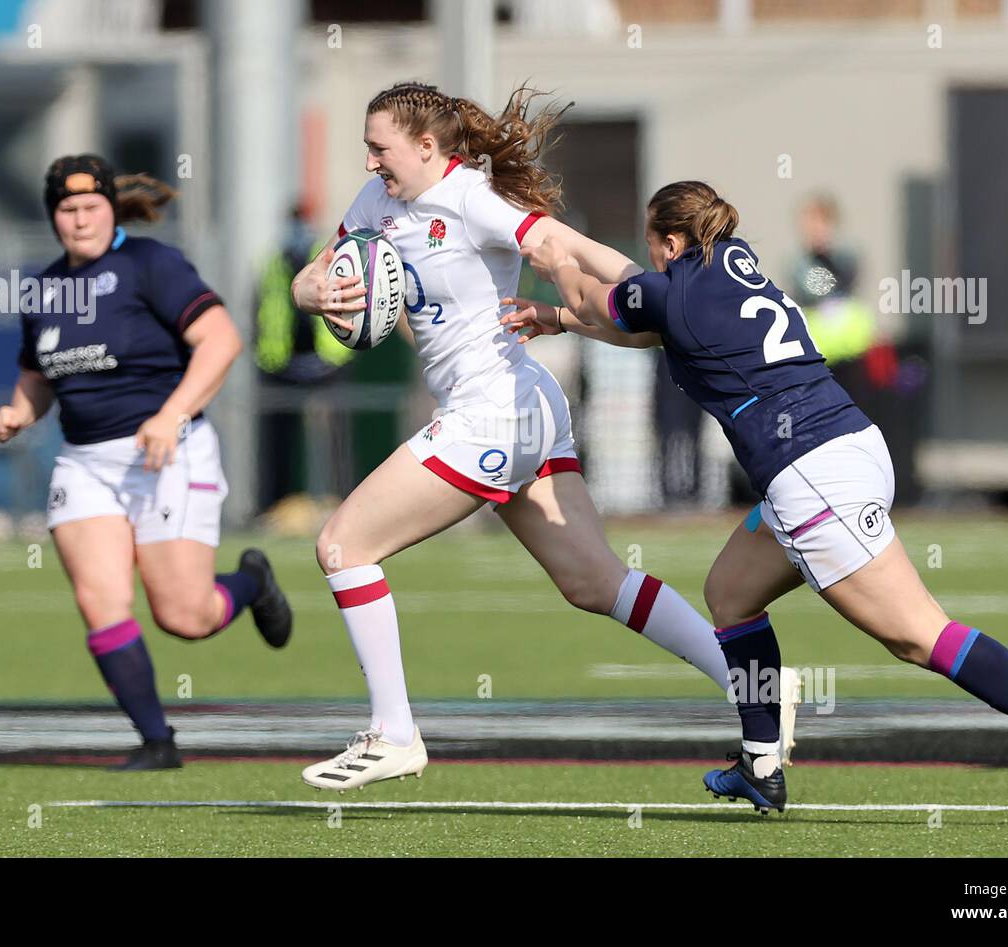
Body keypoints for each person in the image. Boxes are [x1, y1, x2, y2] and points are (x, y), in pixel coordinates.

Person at [505, 180, 1008, 825]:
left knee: (916, 635)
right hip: (837, 449)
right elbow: (638, 309)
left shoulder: (672, 288)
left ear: (672, 242)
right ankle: (761, 766)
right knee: (732, 594)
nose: (649, 259)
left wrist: (558, 267)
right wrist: (557, 318)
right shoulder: (728, 266)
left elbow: (597, 292)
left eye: (655, 245)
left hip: (814, 473)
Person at [289, 83, 738, 791]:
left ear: (428, 147)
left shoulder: (471, 197)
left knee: (343, 546)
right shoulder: (375, 203)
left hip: (490, 416)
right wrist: (313, 293)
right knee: (595, 581)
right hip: (525, 409)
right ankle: (753, 682)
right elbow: (315, 275)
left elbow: (559, 241)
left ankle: (394, 733)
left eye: (381, 148)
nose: (370, 160)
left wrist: (642, 288)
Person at [0, 154, 293, 770]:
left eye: (91, 207)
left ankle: (251, 583)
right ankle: (157, 741)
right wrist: (20, 410)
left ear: (111, 206)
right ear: (53, 218)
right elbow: (37, 374)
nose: (80, 220)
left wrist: (170, 414)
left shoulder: (150, 264)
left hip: (166, 451)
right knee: (99, 601)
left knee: (185, 615)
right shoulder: (44, 288)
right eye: (67, 210)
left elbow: (222, 340)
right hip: (84, 463)